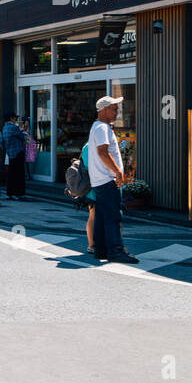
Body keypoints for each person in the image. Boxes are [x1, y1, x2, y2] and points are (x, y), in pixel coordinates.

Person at [88, 95, 138, 264]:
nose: (117, 112)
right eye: (114, 108)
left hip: (101, 180)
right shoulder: (102, 128)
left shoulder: (99, 127)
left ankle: (101, 250)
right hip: (107, 179)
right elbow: (103, 151)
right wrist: (117, 172)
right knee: (112, 217)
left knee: (102, 216)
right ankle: (116, 250)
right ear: (103, 110)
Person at [1, 112, 27, 200]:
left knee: (11, 173)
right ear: (11, 118)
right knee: (19, 174)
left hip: (10, 152)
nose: (16, 119)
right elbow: (22, 137)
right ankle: (18, 193)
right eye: (15, 118)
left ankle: (10, 192)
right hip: (18, 152)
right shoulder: (14, 127)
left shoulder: (5, 128)